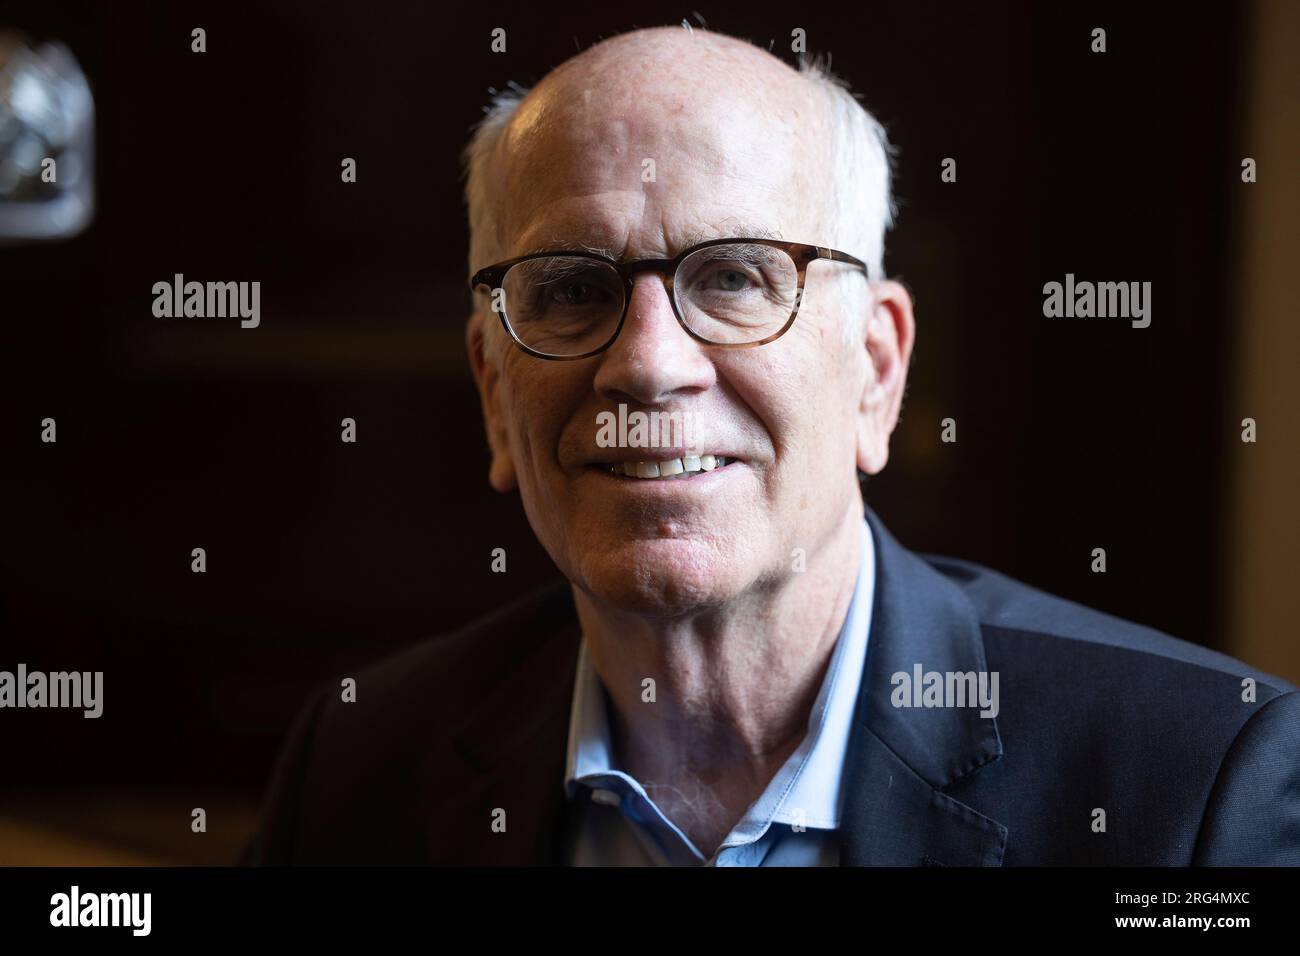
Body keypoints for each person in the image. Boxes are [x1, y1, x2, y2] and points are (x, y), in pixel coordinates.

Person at [240, 25, 1300, 866]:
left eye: (737, 277)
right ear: (492, 391)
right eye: (570, 290)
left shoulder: (1195, 786)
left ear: (875, 371)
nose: (649, 365)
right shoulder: (360, 766)